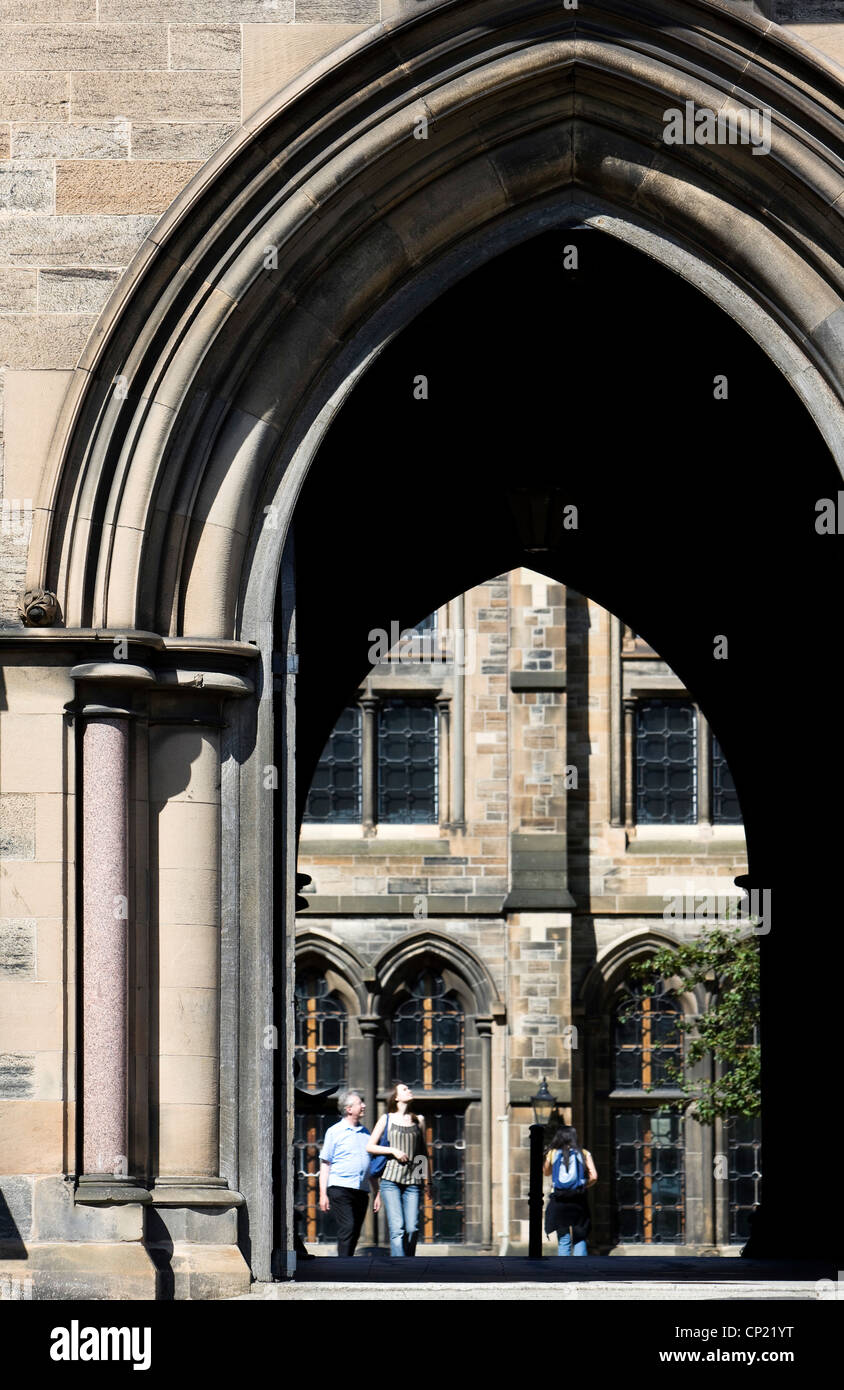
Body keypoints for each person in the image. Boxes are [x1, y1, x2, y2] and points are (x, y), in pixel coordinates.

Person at [367, 1082, 431, 1256]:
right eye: (404, 1089)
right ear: (396, 1097)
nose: (409, 1090)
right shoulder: (386, 1119)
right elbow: (370, 1146)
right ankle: (399, 1267)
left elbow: (422, 1153)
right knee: (397, 1228)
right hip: (390, 1181)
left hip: (413, 1181)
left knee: (412, 1227)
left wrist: (427, 1181)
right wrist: (392, 1150)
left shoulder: (419, 1120)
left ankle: (408, 1261)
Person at [319, 1089, 381, 1256]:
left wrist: (377, 1192)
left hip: (361, 1189)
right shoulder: (334, 1132)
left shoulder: (366, 1133)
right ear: (348, 1109)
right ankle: (342, 1264)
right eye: (359, 1103)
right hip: (340, 1187)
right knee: (348, 1226)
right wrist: (323, 1194)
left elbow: (372, 1167)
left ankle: (348, 1262)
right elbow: (325, 1164)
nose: (364, 1105)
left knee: (355, 1230)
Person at [543, 1124, 597, 1256]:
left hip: (559, 1200)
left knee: (564, 1239)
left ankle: (564, 1271)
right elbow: (594, 1176)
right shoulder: (583, 1153)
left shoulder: (553, 1153)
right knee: (579, 1237)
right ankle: (581, 1270)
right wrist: (583, 1185)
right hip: (578, 1200)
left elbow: (546, 1172)